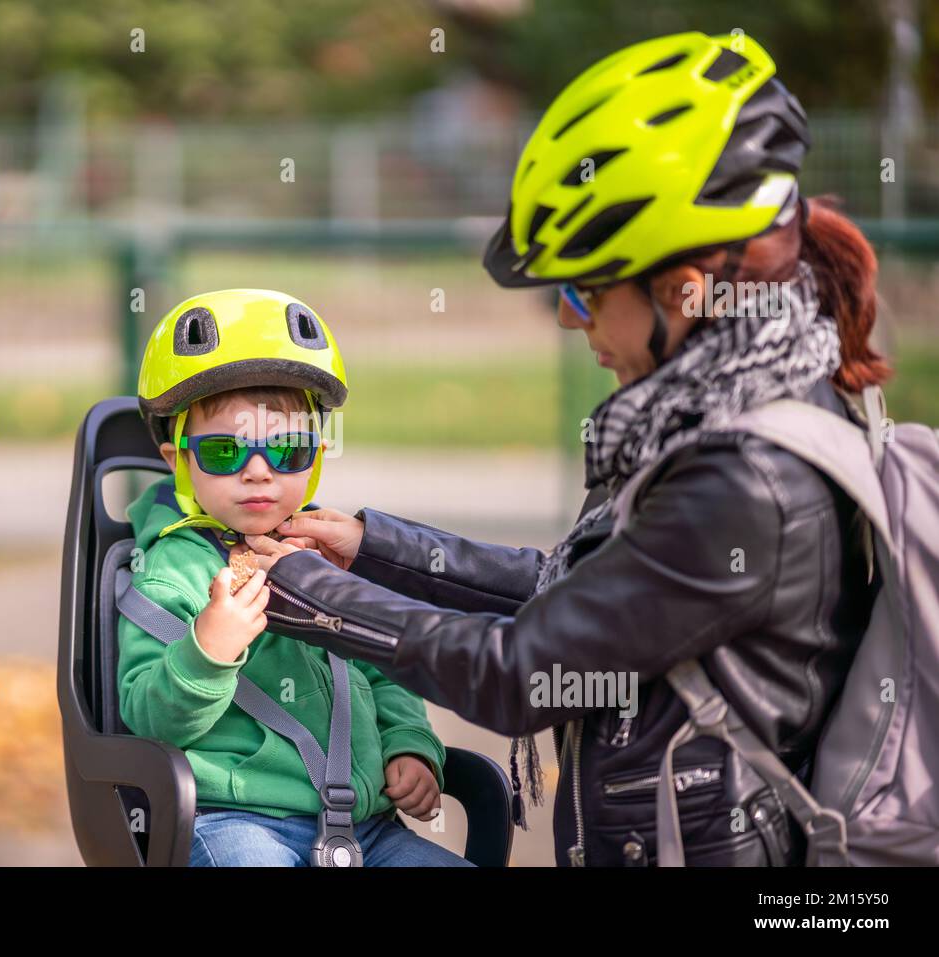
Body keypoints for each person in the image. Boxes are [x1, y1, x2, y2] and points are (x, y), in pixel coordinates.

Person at [247, 32, 887, 866]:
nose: (566, 318)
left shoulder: (746, 475)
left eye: (583, 290)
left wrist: (303, 587)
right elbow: (578, 597)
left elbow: (524, 672)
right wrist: (370, 549)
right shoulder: (724, 405)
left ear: (686, 290)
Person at [118, 288, 471, 867]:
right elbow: (149, 720)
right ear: (177, 458)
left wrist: (411, 745)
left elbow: (380, 662)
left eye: (287, 449)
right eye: (226, 452)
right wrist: (205, 652)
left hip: (364, 826)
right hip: (233, 821)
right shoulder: (170, 570)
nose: (259, 472)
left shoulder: (322, 551)